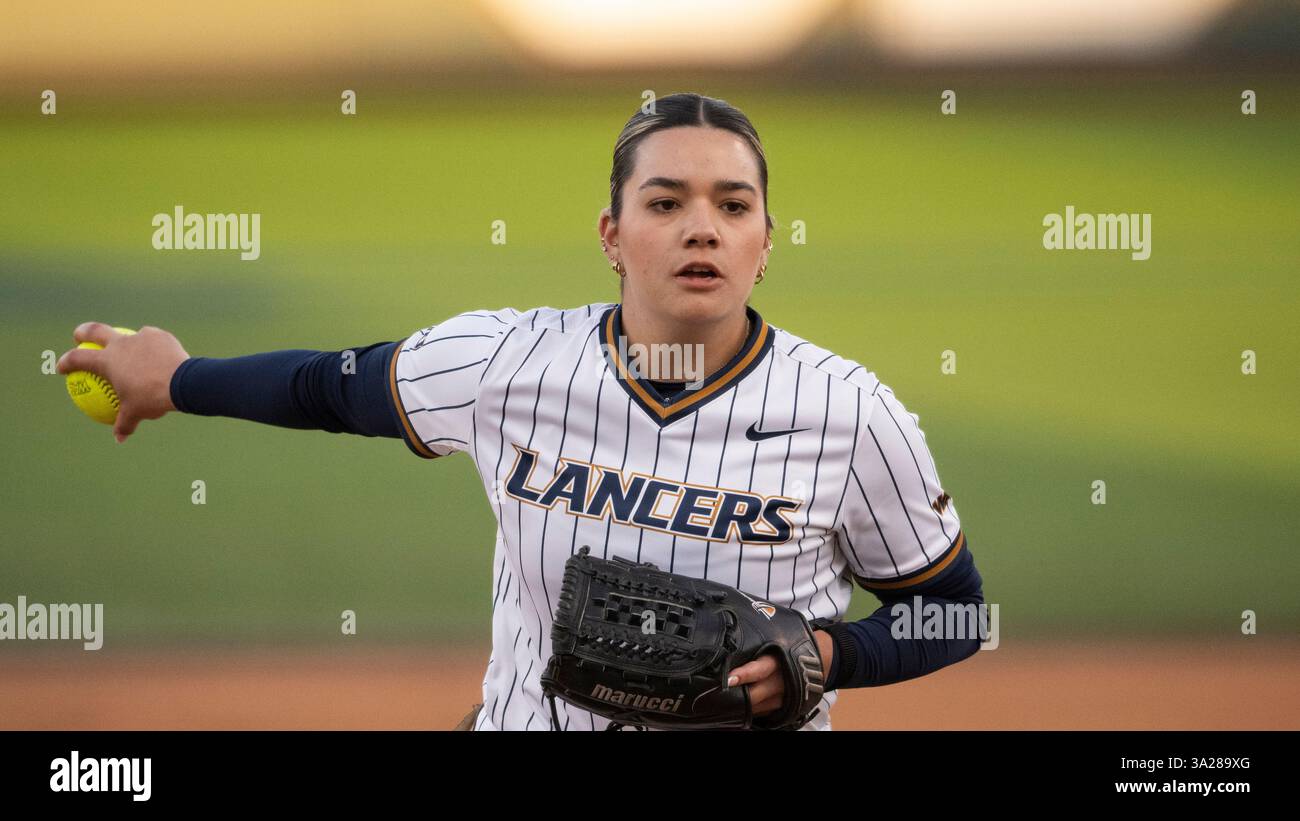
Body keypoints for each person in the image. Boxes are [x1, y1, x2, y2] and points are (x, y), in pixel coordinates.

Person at [56, 92, 985, 731]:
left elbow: (952, 612)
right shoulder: (507, 361)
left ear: (765, 243)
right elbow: (330, 386)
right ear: (613, 237)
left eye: (733, 205)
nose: (702, 226)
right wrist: (177, 377)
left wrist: (826, 652)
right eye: (666, 202)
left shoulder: (849, 411)